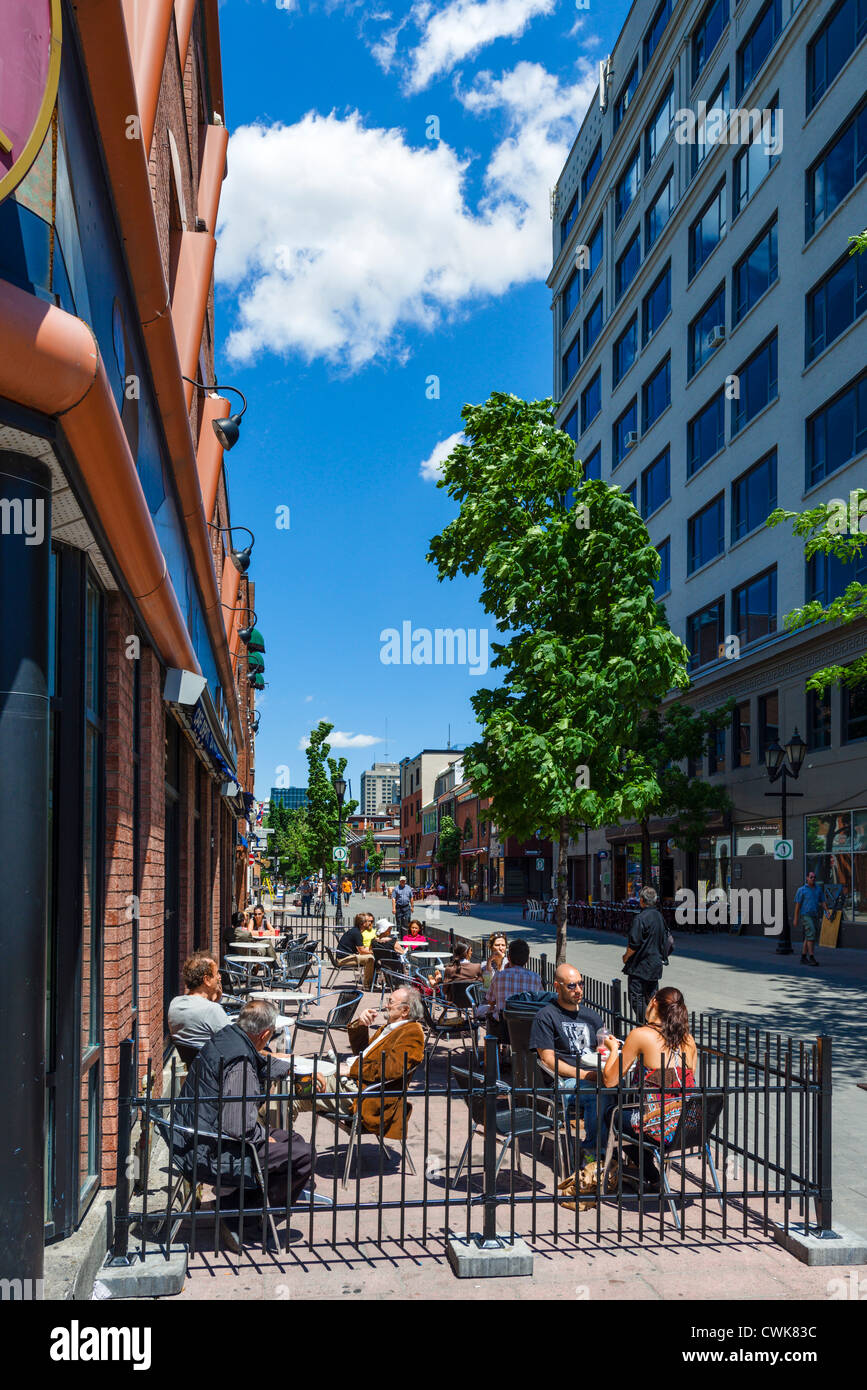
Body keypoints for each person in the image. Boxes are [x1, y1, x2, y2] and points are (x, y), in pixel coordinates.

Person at [175, 999, 317, 1247]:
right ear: (265, 1034)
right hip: (210, 1152)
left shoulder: (228, 1037)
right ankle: (248, 1219)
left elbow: (258, 1061)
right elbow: (237, 1127)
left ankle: (236, 1206)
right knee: (303, 1155)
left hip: (194, 1137)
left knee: (293, 1141)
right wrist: (262, 1137)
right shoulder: (240, 1065)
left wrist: (290, 1069)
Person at [601, 986, 696, 1188]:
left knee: (612, 1114)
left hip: (659, 1128)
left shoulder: (641, 1035)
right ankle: (645, 1168)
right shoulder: (689, 1040)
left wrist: (613, 1049)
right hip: (687, 1129)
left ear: (653, 1002)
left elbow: (610, 1080)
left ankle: (651, 1175)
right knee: (634, 1116)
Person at [297, 988, 426, 1130]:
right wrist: (360, 1024)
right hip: (355, 1085)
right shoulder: (390, 1028)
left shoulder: (412, 1033)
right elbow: (363, 1053)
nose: (386, 1005)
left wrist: (351, 1070)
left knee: (296, 1092)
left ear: (405, 1010)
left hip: (367, 1095)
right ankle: (283, 1139)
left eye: (390, 1002)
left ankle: (284, 1141)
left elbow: (392, 1070)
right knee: (298, 1083)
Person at [530, 964, 610, 1159]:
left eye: (581, 984)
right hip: (564, 1081)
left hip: (594, 1073)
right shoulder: (546, 1016)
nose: (578, 990)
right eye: (572, 986)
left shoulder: (591, 1016)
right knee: (598, 1094)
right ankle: (593, 1154)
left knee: (628, 1089)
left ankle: (628, 1151)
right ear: (557, 987)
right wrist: (585, 1075)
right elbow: (547, 1060)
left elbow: (603, 1047)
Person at [622, 886, 670, 1022]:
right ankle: (654, 1022)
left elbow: (634, 944)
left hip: (640, 966)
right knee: (652, 998)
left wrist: (625, 957)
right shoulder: (659, 917)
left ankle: (647, 1024)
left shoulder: (640, 918)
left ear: (642, 900)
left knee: (636, 997)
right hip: (655, 964)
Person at [168, 953, 232, 1049]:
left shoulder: (175, 1003)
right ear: (207, 980)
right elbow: (233, 1041)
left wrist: (215, 1001)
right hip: (213, 1057)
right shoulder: (212, 1009)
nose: (220, 977)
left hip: (191, 1058)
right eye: (217, 973)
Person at [485, 939, 542, 1042]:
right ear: (527, 959)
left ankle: (493, 1049)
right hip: (527, 1028)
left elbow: (490, 1000)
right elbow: (540, 1001)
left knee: (491, 1015)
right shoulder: (536, 978)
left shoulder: (499, 976)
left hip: (503, 1028)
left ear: (509, 958)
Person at [336, 912, 376, 990]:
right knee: (370, 959)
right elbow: (362, 951)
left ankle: (370, 982)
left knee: (370, 957)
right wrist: (374, 952)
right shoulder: (357, 934)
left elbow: (362, 949)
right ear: (363, 923)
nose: (370, 923)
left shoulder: (355, 931)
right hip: (343, 959)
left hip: (346, 956)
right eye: (368, 921)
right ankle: (367, 985)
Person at [793, 869, 823, 966]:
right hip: (806, 915)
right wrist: (795, 918)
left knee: (809, 935)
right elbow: (797, 905)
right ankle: (811, 957)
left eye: (814, 877)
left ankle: (803, 957)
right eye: (811, 877)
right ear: (807, 878)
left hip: (815, 915)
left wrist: (827, 911)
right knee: (812, 933)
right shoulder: (801, 890)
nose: (813, 879)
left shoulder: (818, 889)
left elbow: (822, 901)